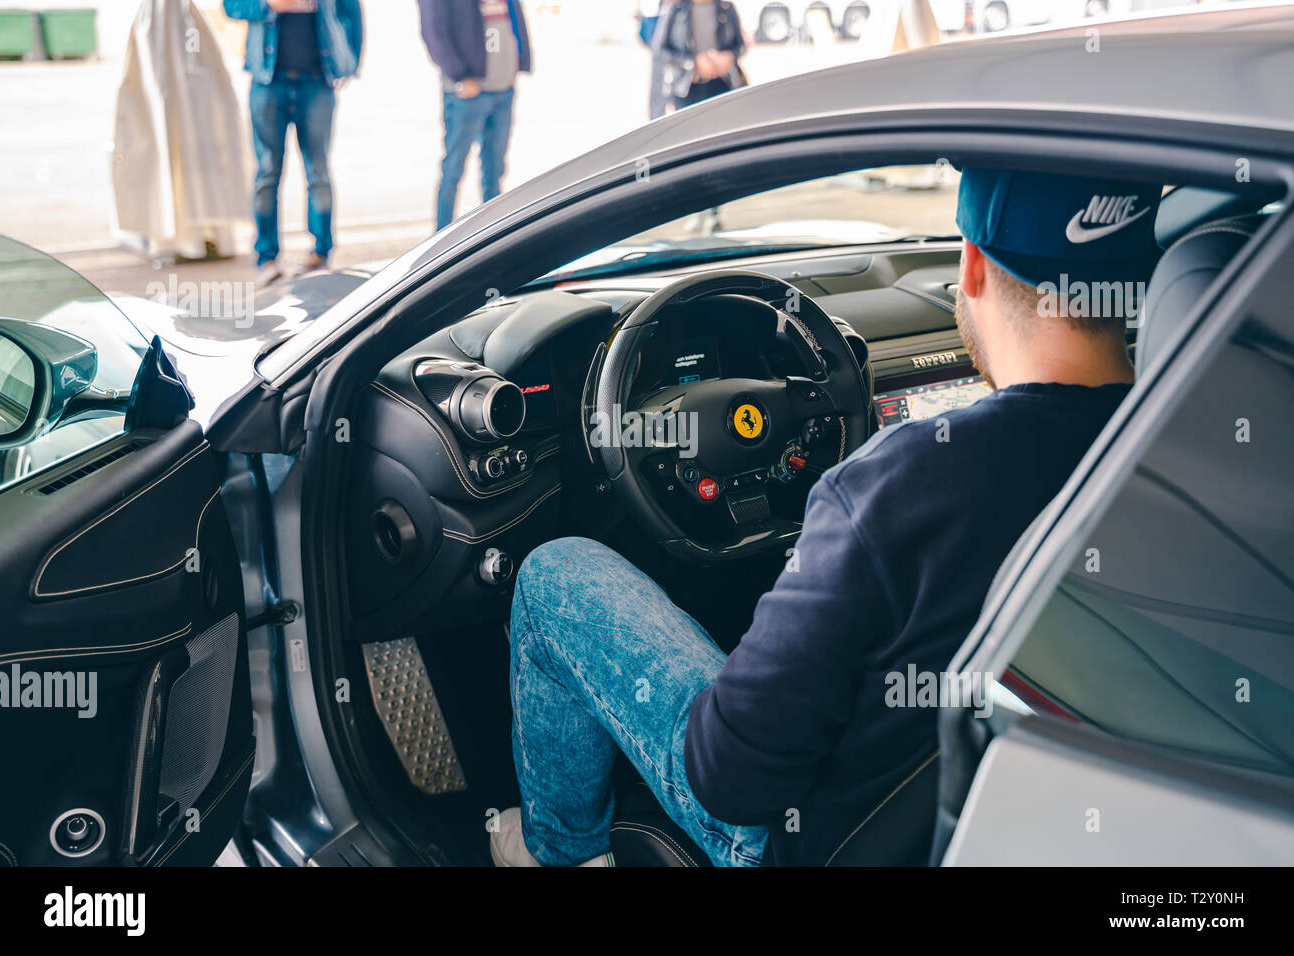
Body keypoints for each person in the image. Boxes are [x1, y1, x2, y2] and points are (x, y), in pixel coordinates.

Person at [492, 168, 1164, 867]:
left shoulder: (902, 484)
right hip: (1075, 830)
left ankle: (560, 852)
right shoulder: (1206, 462)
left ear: (971, 268)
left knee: (556, 573)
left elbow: (731, 779)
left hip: (824, 845)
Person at [224, 0, 363, 285]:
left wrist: (349, 62)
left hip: (317, 83)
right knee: (267, 172)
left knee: (318, 173)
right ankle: (267, 258)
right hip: (268, 81)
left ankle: (320, 255)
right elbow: (231, 6)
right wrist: (268, 5)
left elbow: (351, 12)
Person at [113, 0, 252, 263]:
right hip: (170, 46)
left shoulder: (183, 21)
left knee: (191, 150)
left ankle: (202, 234)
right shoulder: (158, 21)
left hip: (186, 64)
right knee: (172, 145)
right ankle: (184, 237)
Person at [418, 0, 533, 231]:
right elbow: (434, 31)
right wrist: (459, 76)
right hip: (468, 93)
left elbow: (515, 19)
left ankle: (493, 235)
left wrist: (518, 65)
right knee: (453, 171)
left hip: (503, 89)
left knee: (494, 171)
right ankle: (440, 238)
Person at [654, 0, 745, 110]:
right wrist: (693, 63)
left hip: (723, 85)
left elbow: (741, 46)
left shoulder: (727, 7)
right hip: (686, 90)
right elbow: (659, 50)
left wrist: (729, 57)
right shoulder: (676, 9)